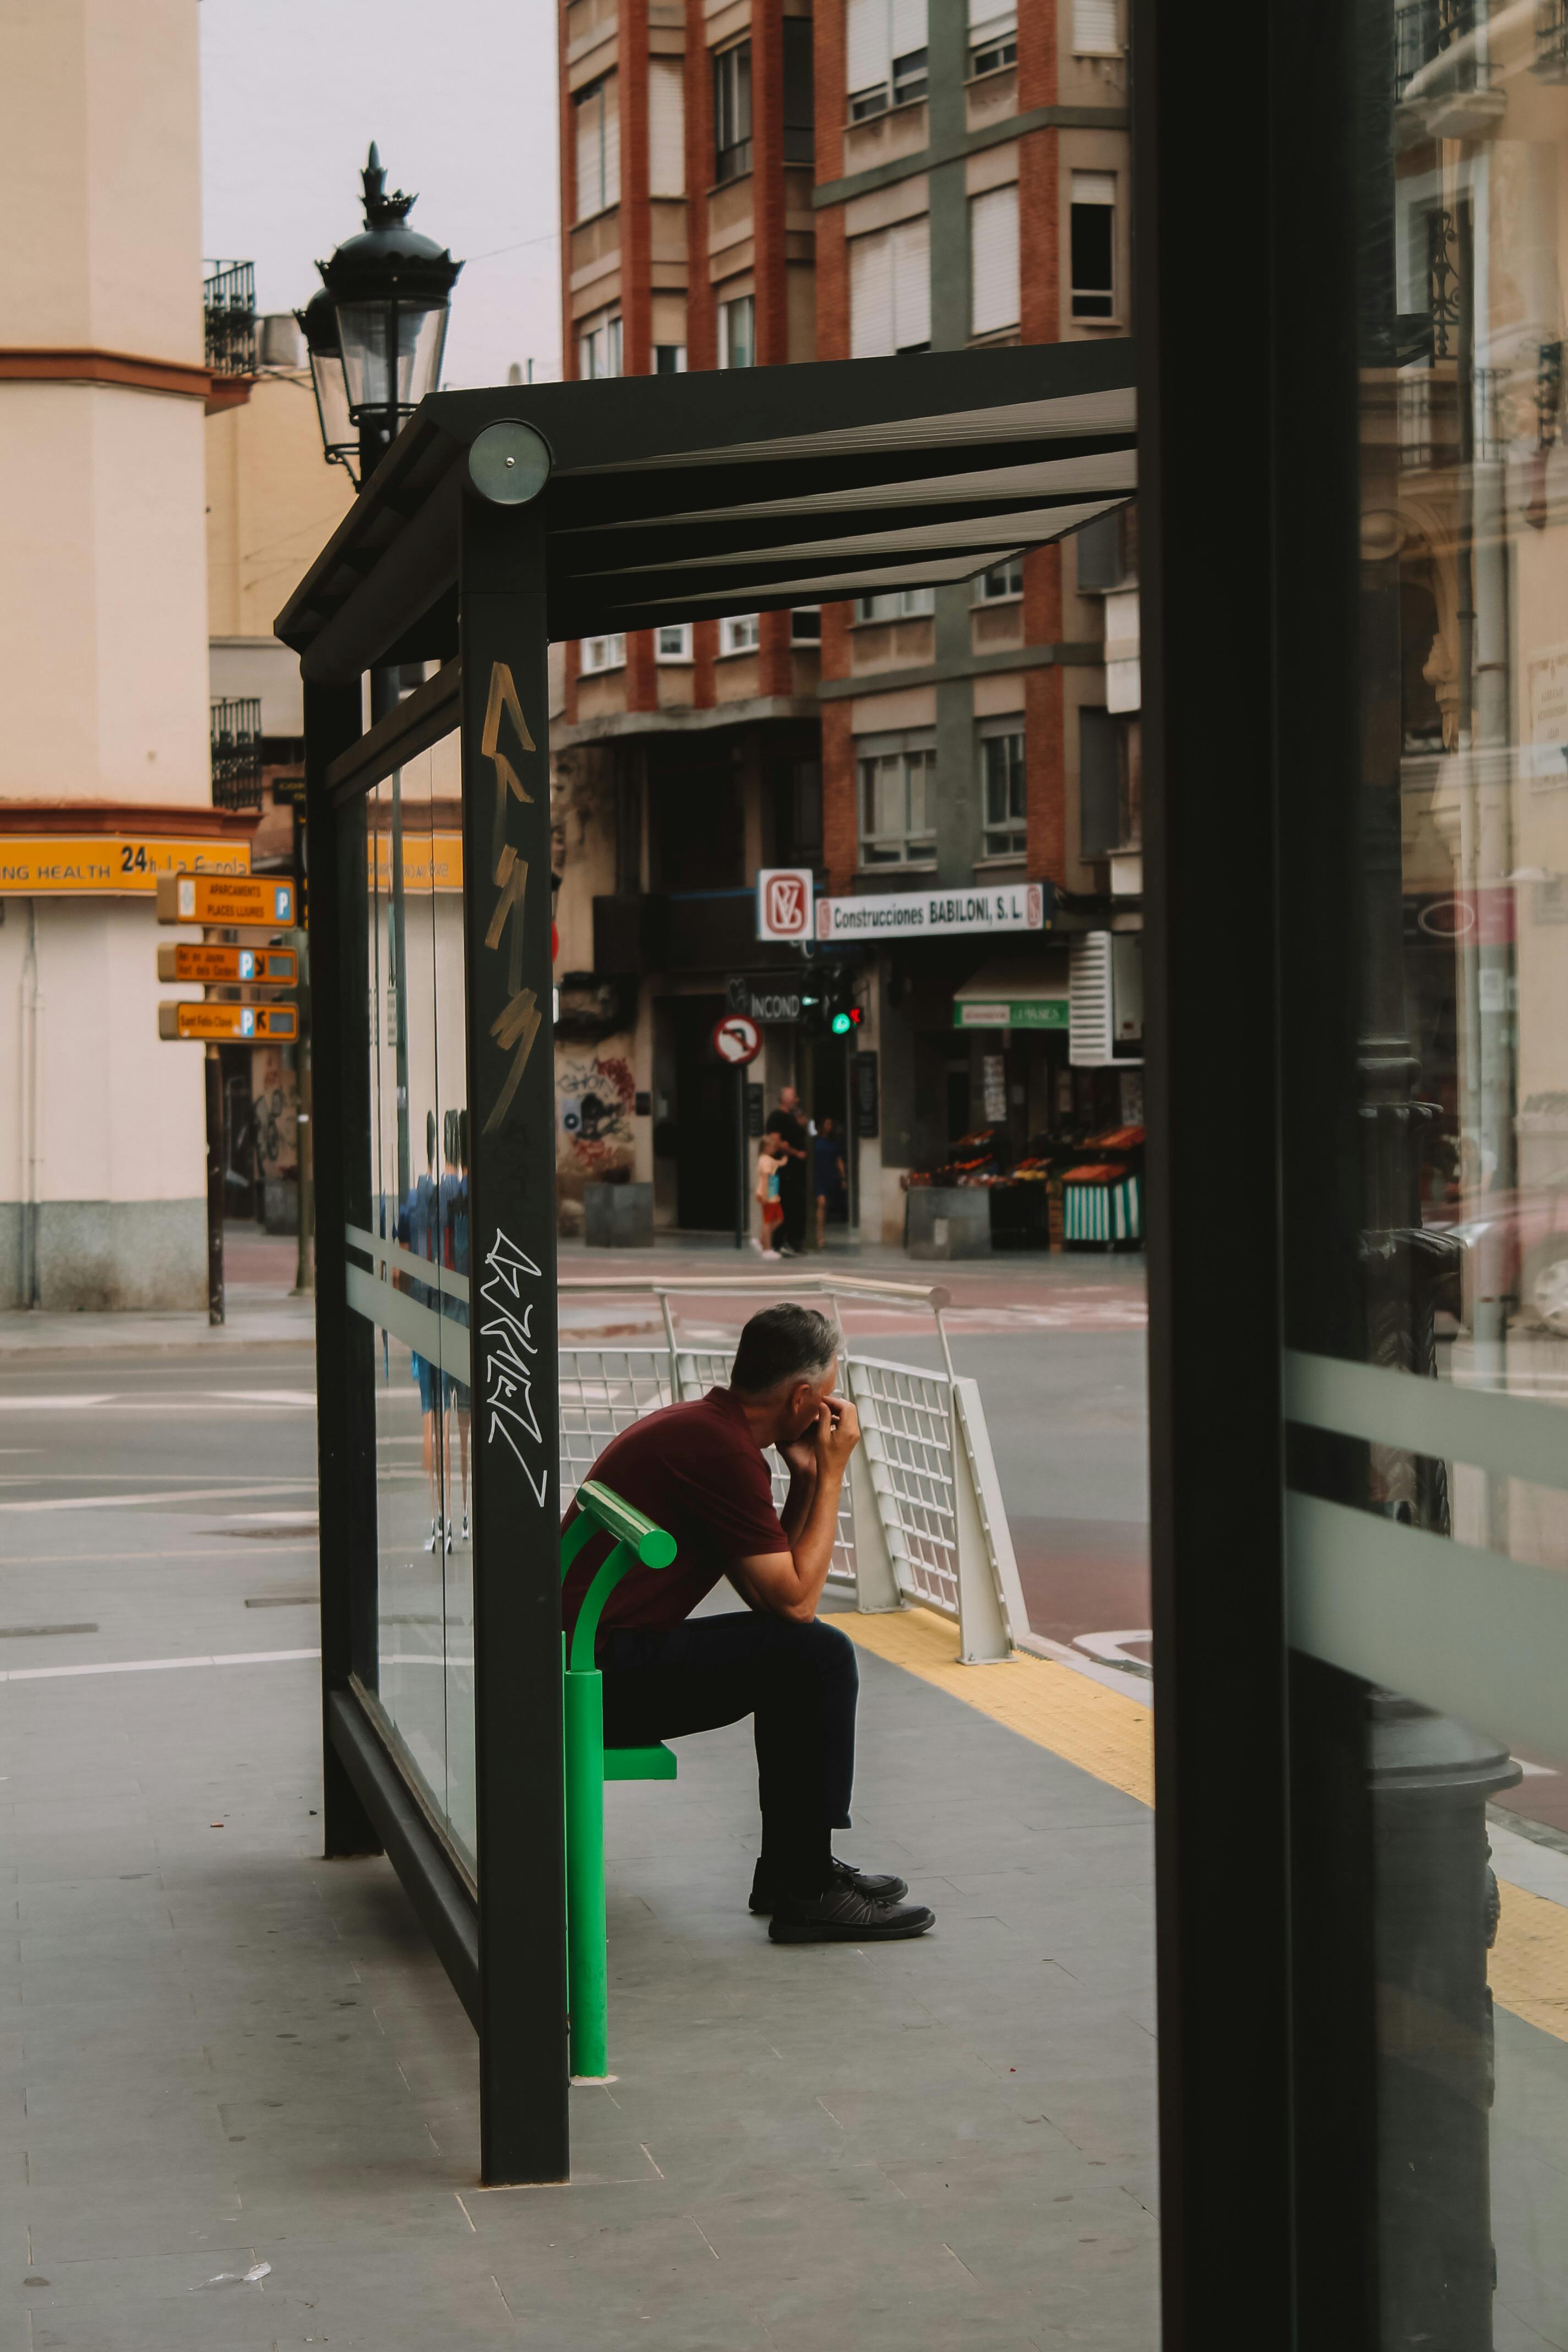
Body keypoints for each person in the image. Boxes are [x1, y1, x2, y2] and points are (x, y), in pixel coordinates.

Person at [560, 1304, 935, 1943]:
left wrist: (806, 1481)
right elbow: (792, 1603)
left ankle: (793, 1872)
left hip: (583, 1660)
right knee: (815, 1656)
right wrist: (836, 1473)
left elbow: (771, 1592)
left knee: (797, 1655)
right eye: (828, 1392)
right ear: (802, 1398)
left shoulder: (705, 1429)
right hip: (599, 1680)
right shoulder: (723, 1454)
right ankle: (807, 1888)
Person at [765, 1085, 808, 1256]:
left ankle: (792, 1241)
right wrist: (795, 1153)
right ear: (784, 1099)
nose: (796, 1100)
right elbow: (776, 1142)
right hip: (784, 1170)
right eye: (793, 1096)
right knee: (783, 1206)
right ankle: (776, 1242)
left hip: (795, 1171)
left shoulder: (792, 1117)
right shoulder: (776, 1117)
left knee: (794, 1205)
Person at [814, 1113, 847, 1248]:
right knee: (821, 1204)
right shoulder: (815, 1141)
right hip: (818, 1175)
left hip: (830, 1175)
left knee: (825, 1206)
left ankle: (821, 1234)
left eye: (831, 1124)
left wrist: (843, 1177)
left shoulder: (835, 1142)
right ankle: (819, 1236)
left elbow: (839, 1161)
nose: (829, 1127)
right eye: (827, 1124)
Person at [752, 1133, 786, 1258]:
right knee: (768, 1221)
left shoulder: (768, 1159)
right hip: (769, 1196)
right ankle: (767, 1248)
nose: (775, 1149)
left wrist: (786, 1153)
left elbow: (780, 1163)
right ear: (766, 1148)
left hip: (773, 1196)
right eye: (773, 1147)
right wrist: (765, 1195)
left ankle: (762, 1240)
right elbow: (765, 1178)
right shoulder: (765, 1161)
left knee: (779, 1219)